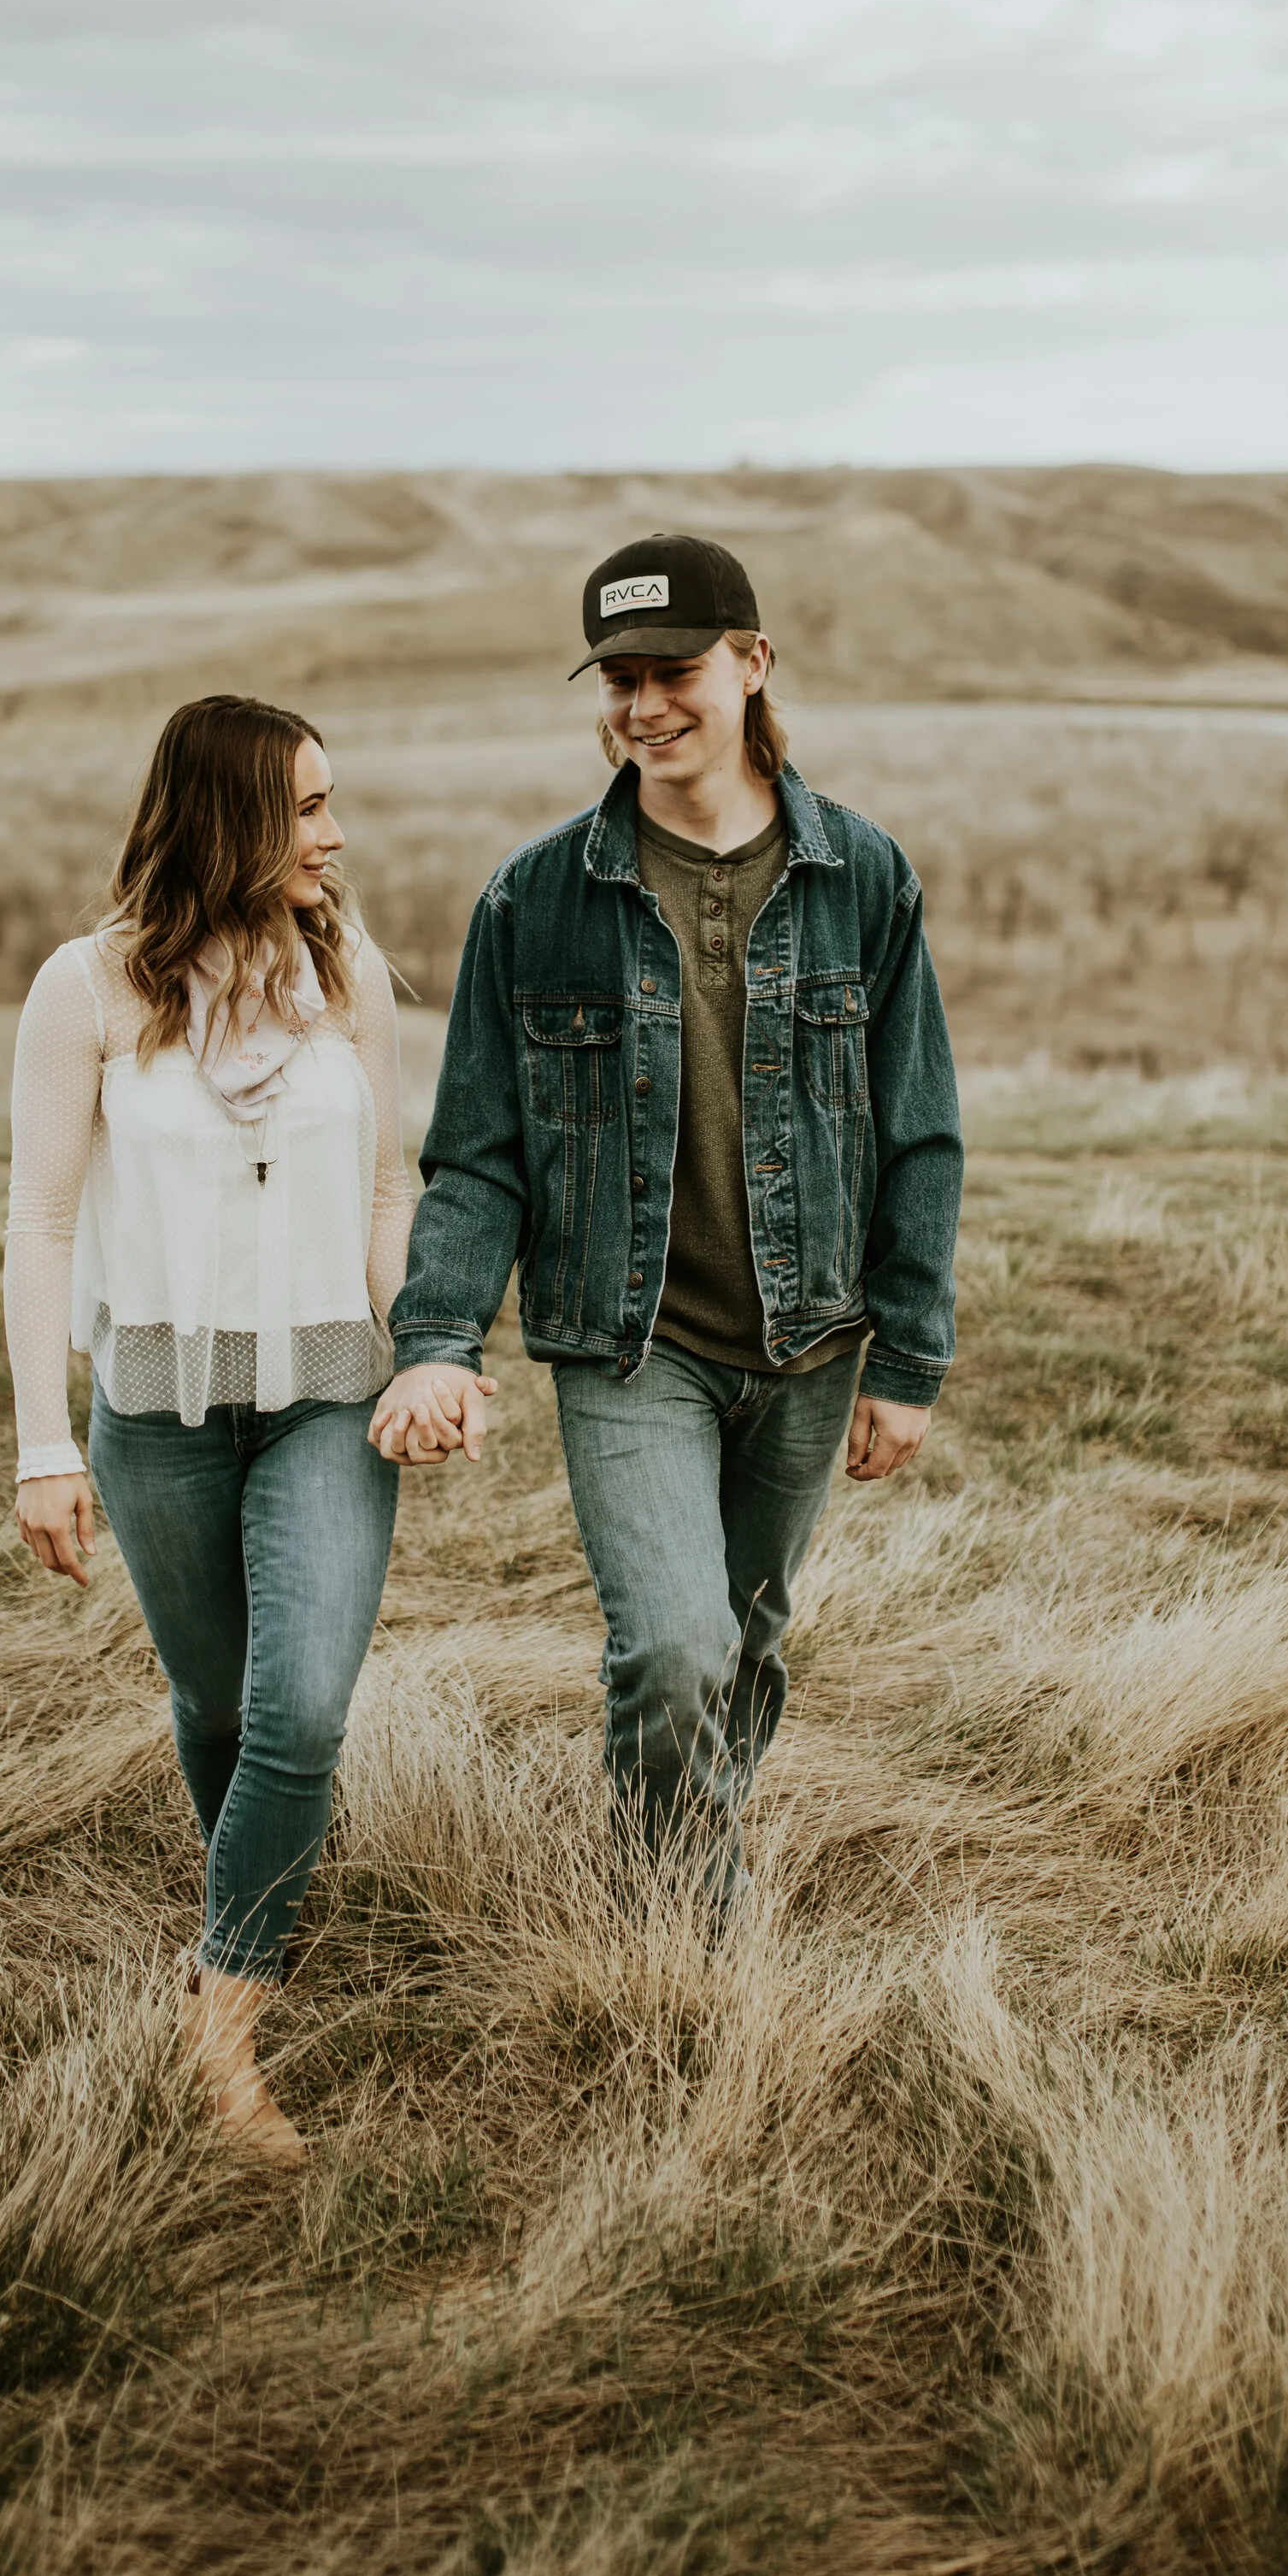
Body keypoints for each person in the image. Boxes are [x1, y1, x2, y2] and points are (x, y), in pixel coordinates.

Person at [368, 533, 962, 1912]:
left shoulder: (864, 879)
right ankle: (686, 1918)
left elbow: (919, 1128)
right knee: (677, 1647)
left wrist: (910, 1358)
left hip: (811, 1343)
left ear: (753, 667)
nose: (644, 707)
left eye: (672, 672)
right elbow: (480, 1155)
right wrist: (440, 1337)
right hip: (629, 1347)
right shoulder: (536, 898)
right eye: (620, 678)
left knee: (748, 1639)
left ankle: (678, 1845)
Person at [5, 694, 414, 2166]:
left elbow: (386, 1192)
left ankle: (221, 2032)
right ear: (232, 817)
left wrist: (425, 1354)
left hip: (327, 1395)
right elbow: (42, 1219)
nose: (335, 833)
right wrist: (43, 1444)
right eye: (307, 808)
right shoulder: (91, 989)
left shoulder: (348, 973)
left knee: (300, 1710)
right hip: (155, 1416)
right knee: (227, 1712)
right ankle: (268, 1904)